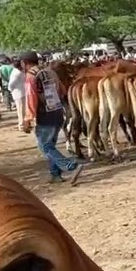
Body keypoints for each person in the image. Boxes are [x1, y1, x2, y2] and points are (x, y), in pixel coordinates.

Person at [18, 51, 85, 184]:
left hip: (45, 115)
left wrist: (27, 119)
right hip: (57, 112)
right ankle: (55, 174)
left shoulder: (31, 77)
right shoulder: (51, 72)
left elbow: (31, 99)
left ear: (24, 63)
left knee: (45, 146)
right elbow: (62, 91)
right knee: (51, 145)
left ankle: (71, 166)